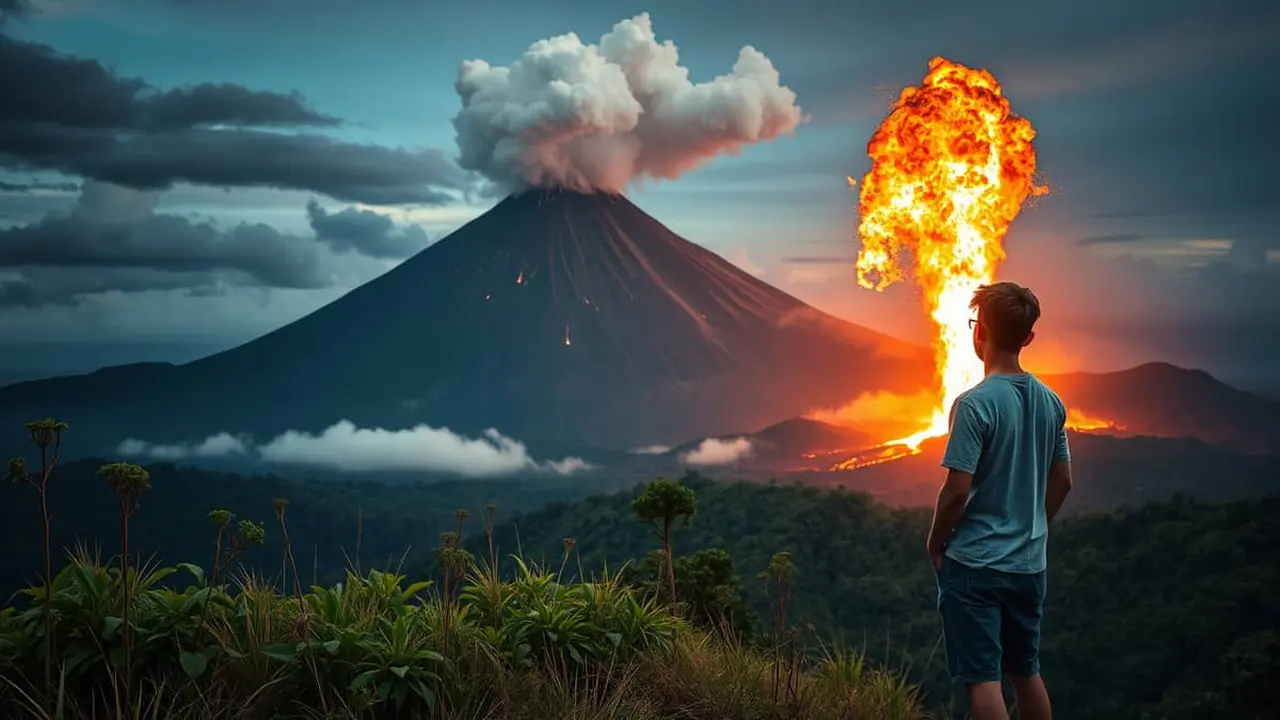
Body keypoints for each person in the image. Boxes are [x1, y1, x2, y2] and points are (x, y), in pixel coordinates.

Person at [926, 282, 1074, 720]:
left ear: (980, 332)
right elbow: (1064, 481)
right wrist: (1033, 526)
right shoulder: (1052, 403)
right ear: (1028, 337)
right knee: (1026, 673)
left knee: (983, 681)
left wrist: (935, 541)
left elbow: (957, 490)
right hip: (1030, 566)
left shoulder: (974, 405)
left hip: (977, 564)